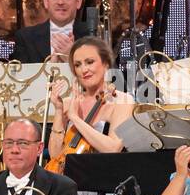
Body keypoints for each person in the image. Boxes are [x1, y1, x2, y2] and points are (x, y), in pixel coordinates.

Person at [47, 36, 135, 165]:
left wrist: (75, 118)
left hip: (104, 177)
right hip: (69, 179)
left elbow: (113, 148)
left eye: (89, 62)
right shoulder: (67, 102)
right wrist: (59, 110)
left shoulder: (122, 101)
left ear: (105, 63)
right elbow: (54, 154)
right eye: (78, 65)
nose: (84, 70)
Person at [9, 0, 91, 64]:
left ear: (78, 2)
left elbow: (101, 76)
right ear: (46, 1)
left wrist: (71, 59)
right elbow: (22, 77)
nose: (60, 2)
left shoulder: (93, 36)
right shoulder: (25, 38)